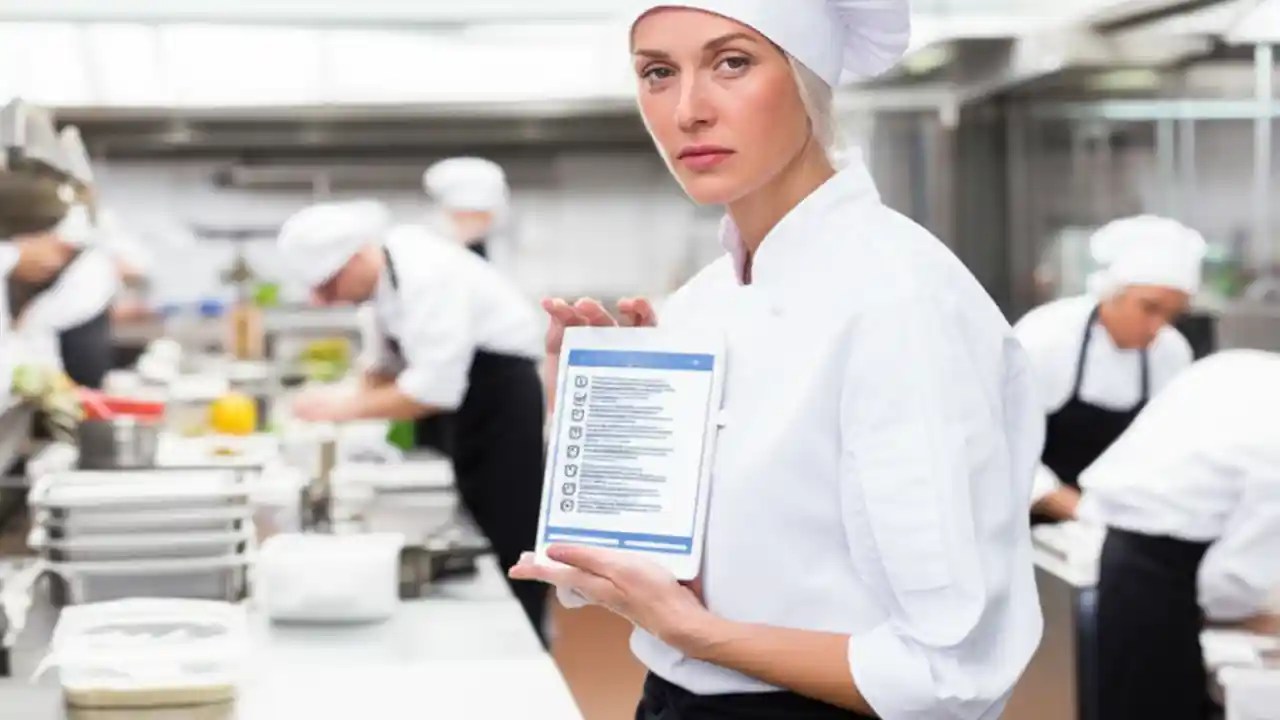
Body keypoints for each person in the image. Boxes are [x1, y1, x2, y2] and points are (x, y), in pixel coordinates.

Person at [510, 3, 1045, 718]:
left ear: (807, 78)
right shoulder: (703, 301)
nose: (689, 110)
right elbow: (680, 570)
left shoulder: (899, 301)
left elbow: (947, 673)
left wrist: (698, 634)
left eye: (732, 62)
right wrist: (598, 427)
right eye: (658, 73)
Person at [275, 200, 549, 639]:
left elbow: (435, 389)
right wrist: (338, 401)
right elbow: (382, 368)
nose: (323, 300)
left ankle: (529, 639)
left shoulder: (426, 270)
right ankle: (476, 631)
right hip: (461, 400)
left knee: (508, 527)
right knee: (464, 520)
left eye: (327, 285)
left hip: (500, 395)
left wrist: (340, 409)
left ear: (356, 257)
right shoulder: (385, 277)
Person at [1075, 350, 1280, 720]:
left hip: (1121, 552)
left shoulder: (1243, 367)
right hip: (1162, 580)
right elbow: (1232, 579)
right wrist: (1254, 617)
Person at [1014, 214, 1206, 523]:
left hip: (1116, 516)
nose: (1158, 327)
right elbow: (1002, 441)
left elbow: (1170, 446)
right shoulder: (1047, 337)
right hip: (1031, 516)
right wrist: (1070, 505)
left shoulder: (1172, 351)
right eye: (1150, 308)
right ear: (1112, 291)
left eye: (1173, 315)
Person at [422, 157, 510, 261]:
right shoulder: (429, 254)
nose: (475, 224)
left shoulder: (502, 250)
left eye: (481, 216)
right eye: (464, 216)